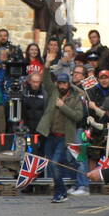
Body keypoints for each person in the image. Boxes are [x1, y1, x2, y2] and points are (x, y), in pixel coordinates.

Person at [36, 67, 84, 203]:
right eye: (60, 83)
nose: (62, 85)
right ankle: (61, 191)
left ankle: (60, 192)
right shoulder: (54, 92)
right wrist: (47, 64)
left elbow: (78, 116)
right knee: (51, 164)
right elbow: (45, 80)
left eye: (64, 83)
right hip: (50, 135)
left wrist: (63, 106)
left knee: (55, 164)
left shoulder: (75, 98)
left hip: (64, 137)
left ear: (68, 84)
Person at [19, 70, 47, 146]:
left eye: (37, 82)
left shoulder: (45, 93)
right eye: (33, 82)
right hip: (27, 127)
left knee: (40, 151)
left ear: (40, 82)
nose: (35, 84)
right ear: (30, 81)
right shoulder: (24, 92)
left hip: (41, 128)